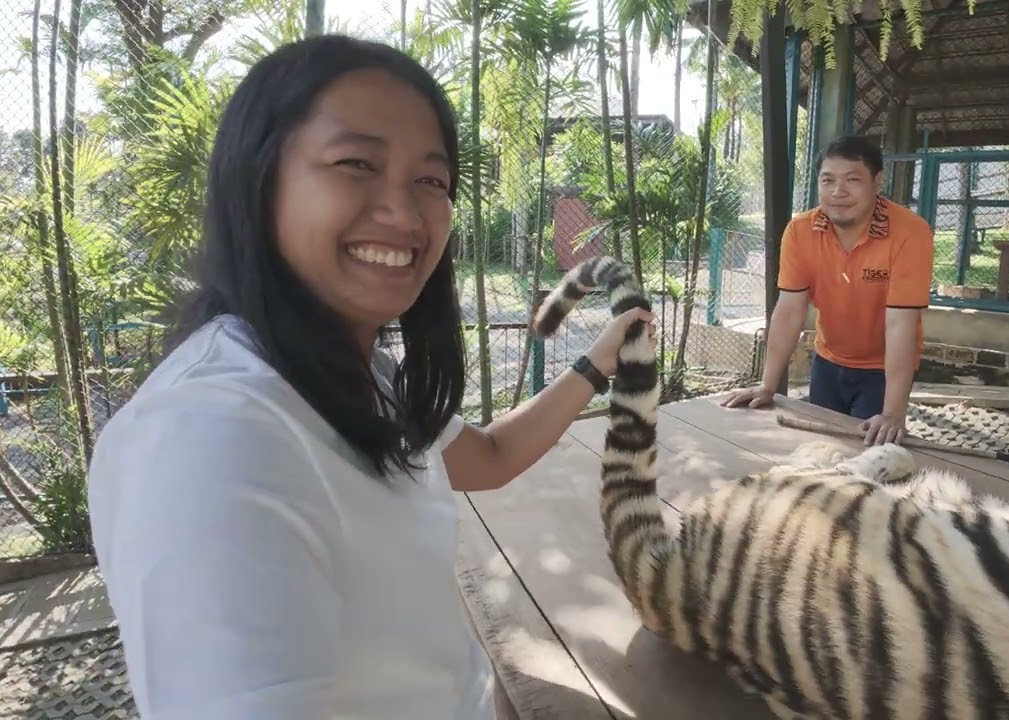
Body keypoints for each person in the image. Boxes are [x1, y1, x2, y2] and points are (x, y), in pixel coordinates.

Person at [86, 35, 653, 720]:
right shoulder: (210, 438)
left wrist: (597, 362)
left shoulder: (352, 373)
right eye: (356, 162)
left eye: (431, 180)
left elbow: (493, 457)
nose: (406, 212)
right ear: (258, 179)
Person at [721, 135, 934, 446]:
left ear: (877, 182)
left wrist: (893, 412)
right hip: (827, 362)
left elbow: (901, 322)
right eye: (828, 180)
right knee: (819, 451)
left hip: (882, 370)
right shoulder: (800, 231)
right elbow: (790, 310)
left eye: (852, 180)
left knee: (868, 455)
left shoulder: (910, 233)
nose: (838, 192)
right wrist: (768, 385)